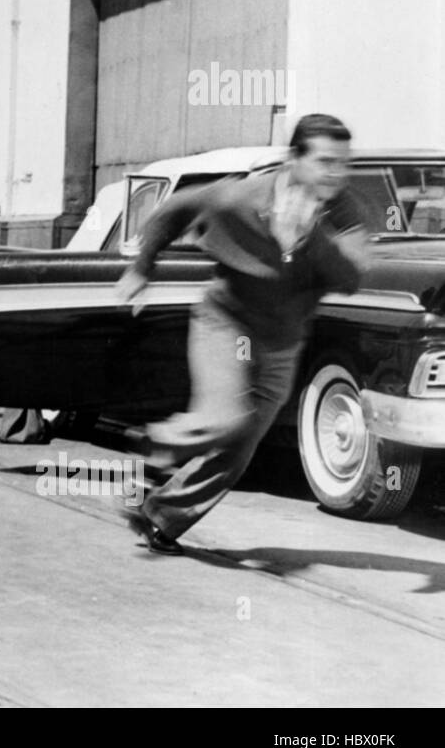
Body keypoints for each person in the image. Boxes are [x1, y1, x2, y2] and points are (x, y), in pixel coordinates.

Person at [114, 113, 372, 555]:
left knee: (239, 448)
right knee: (223, 419)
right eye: (326, 161)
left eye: (343, 163)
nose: (336, 173)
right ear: (295, 160)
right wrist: (142, 267)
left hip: (283, 342)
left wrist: (311, 239)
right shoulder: (240, 197)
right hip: (226, 323)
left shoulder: (346, 212)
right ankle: (156, 447)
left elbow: (350, 278)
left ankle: (159, 518)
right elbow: (174, 211)